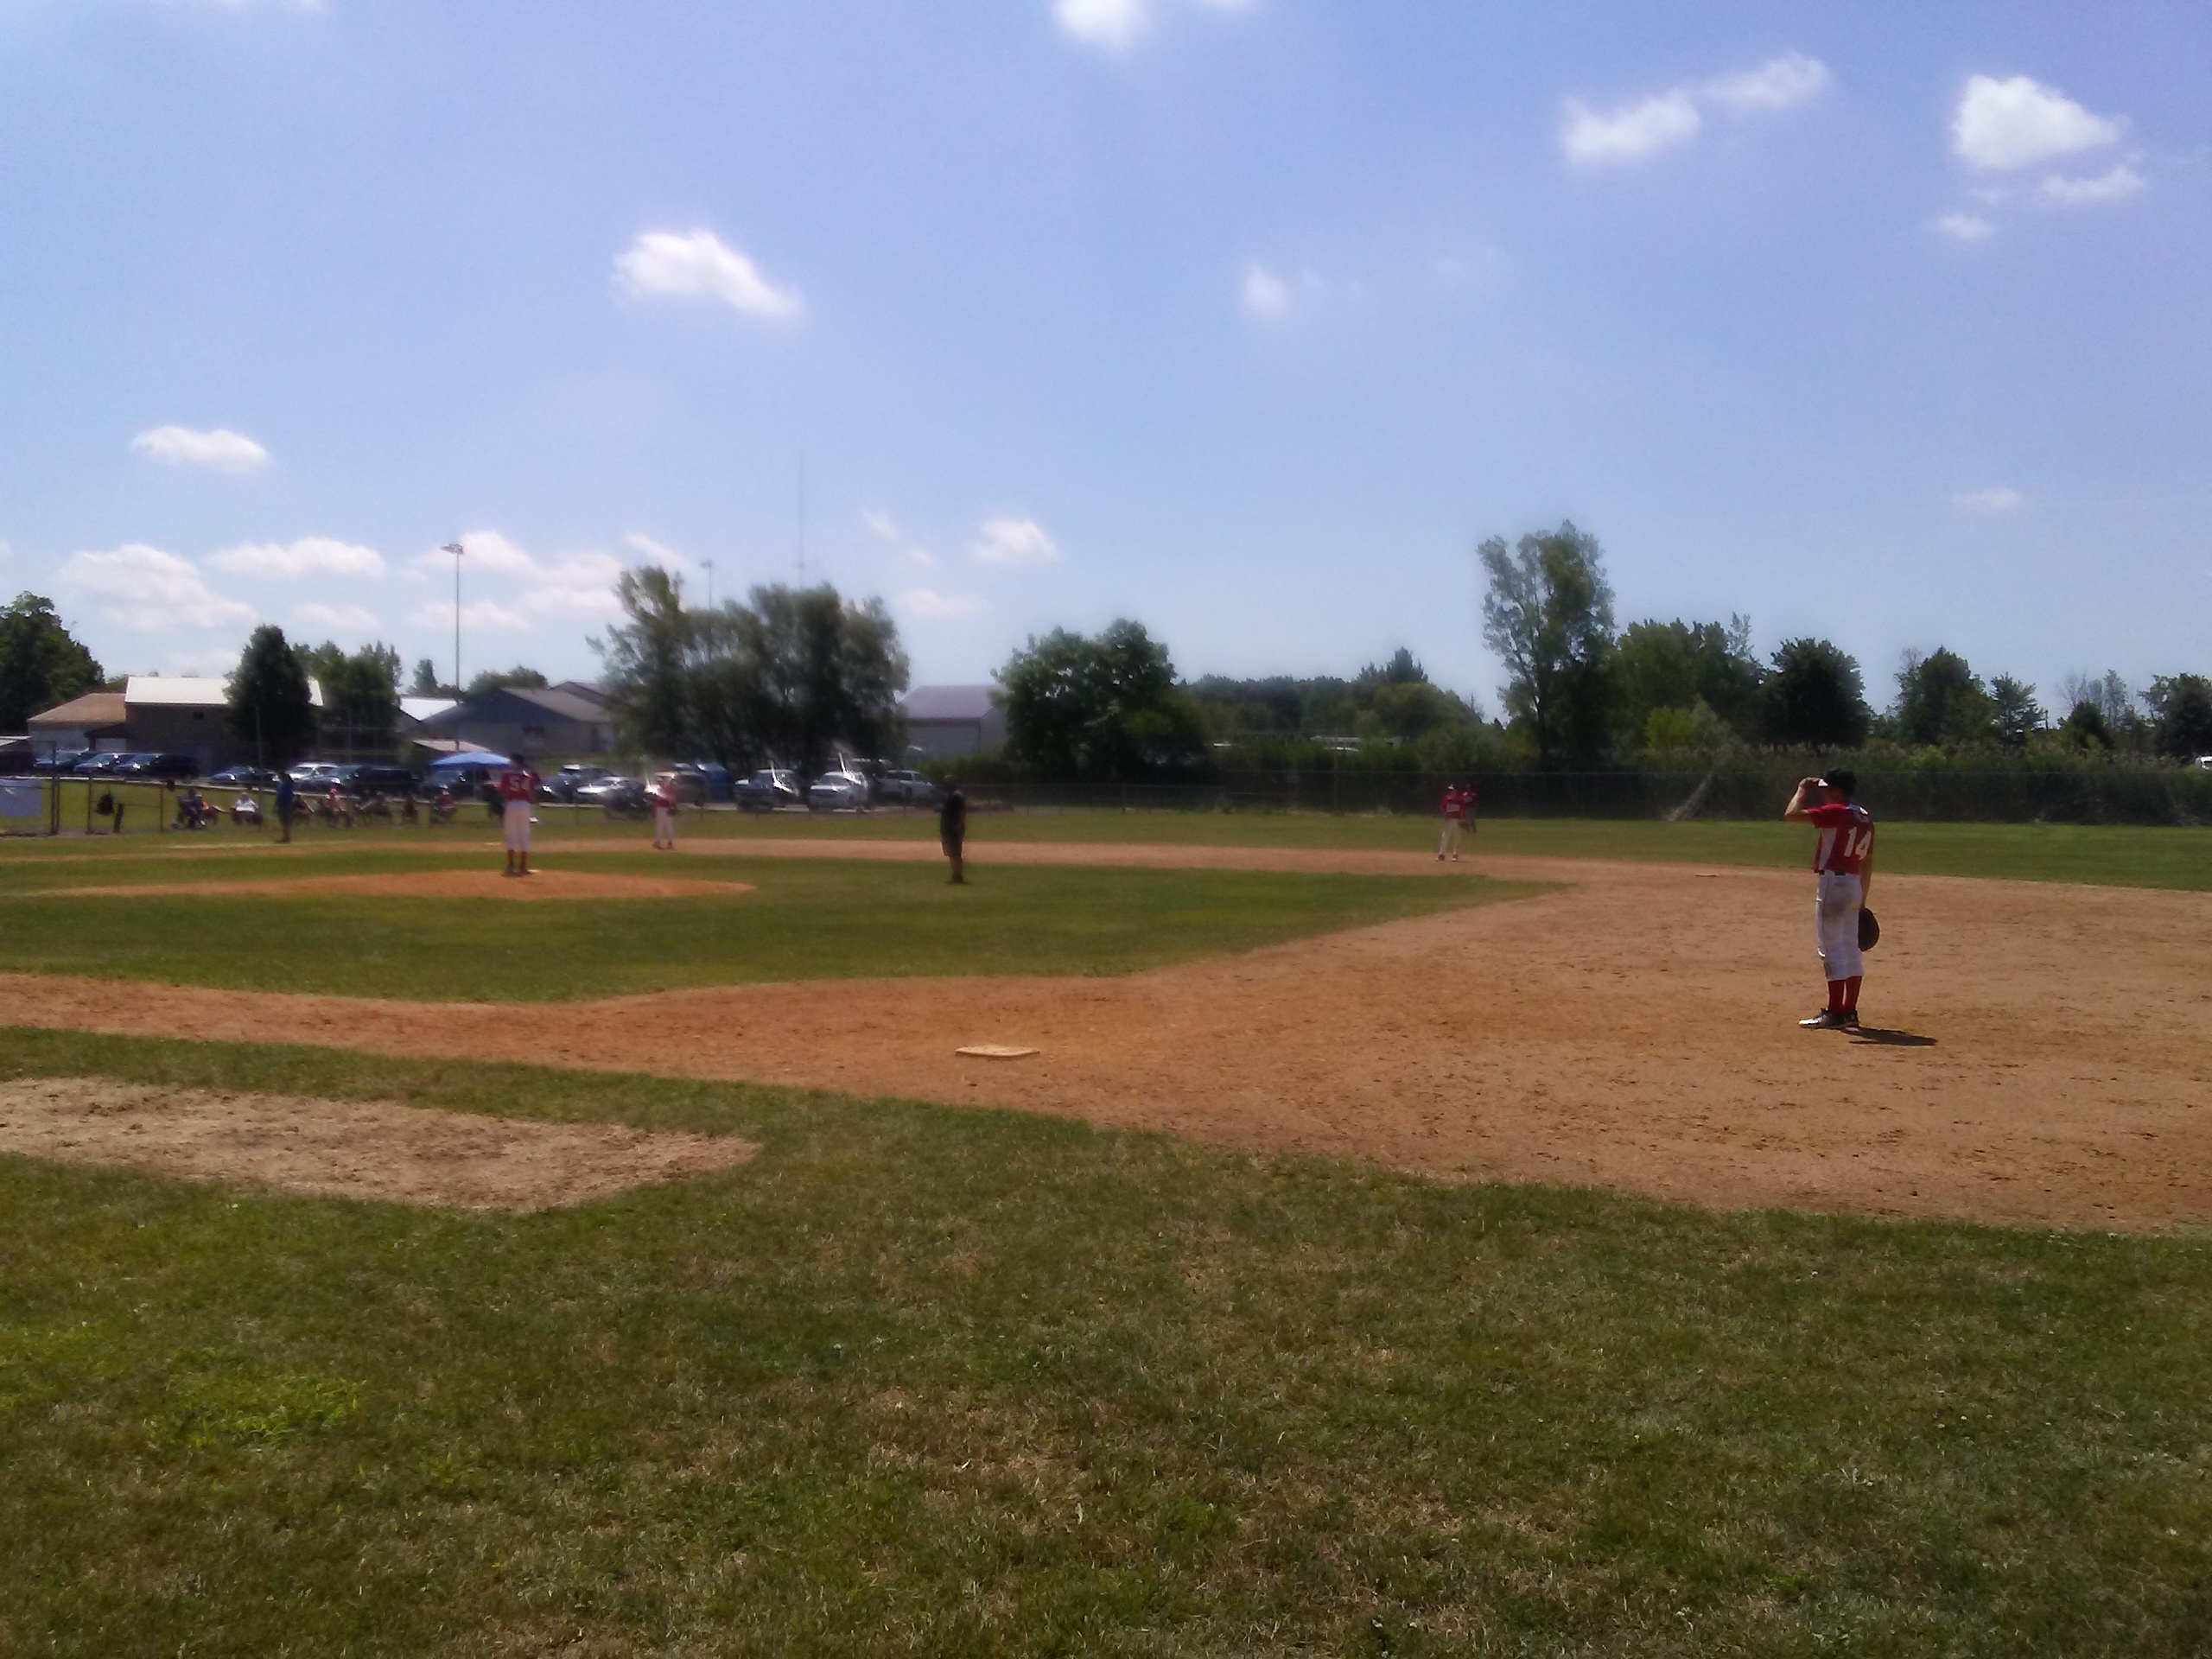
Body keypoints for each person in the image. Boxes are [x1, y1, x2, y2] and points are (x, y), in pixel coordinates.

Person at [1784, 766, 1874, 1031]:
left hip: (1832, 885)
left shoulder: (1837, 812)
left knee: (1830, 949)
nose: (1822, 795)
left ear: (1837, 791)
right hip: (1854, 885)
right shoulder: (1865, 816)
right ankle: (1849, 1011)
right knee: (1850, 949)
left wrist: (1802, 789)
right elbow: (1867, 861)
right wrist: (1863, 901)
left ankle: (1834, 1012)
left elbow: (1791, 815)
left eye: (1825, 790)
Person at [498, 753, 542, 876]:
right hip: (524, 805)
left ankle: (511, 865)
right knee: (524, 834)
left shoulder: (507, 773)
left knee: (510, 834)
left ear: (515, 761)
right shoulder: (528, 774)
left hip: (512, 804)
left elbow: (503, 791)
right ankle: (523, 866)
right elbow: (532, 793)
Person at [938, 776, 967, 884]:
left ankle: (958, 876)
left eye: (947, 783)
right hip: (949, 828)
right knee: (951, 853)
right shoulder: (951, 795)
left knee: (955, 853)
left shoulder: (957, 796)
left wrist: (958, 825)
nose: (946, 785)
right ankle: (955, 875)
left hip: (954, 828)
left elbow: (962, 812)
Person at [1438, 782, 1471, 861]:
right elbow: (1442, 807)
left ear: (1456, 791)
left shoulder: (1460, 800)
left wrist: (1467, 820)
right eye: (1450, 790)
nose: (1450, 791)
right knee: (1445, 837)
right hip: (1449, 820)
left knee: (1457, 838)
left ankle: (1455, 855)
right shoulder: (1446, 798)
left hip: (1457, 821)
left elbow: (1464, 811)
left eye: (1452, 790)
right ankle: (1442, 855)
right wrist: (1444, 815)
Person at [649, 773, 677, 850]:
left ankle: (669, 843)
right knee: (660, 827)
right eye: (659, 782)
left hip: (666, 809)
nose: (659, 783)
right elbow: (657, 802)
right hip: (660, 809)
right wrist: (655, 811)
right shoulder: (660, 790)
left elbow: (672, 799)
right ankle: (658, 842)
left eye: (660, 781)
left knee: (668, 827)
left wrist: (673, 807)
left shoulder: (667, 789)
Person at [274, 772, 296, 844]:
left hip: (287, 804)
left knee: (287, 821)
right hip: (281, 804)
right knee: (283, 822)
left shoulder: (289, 784)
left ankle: (287, 837)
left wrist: (286, 776)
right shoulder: (280, 784)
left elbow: (291, 781)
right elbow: (278, 795)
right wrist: (275, 805)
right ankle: (285, 837)